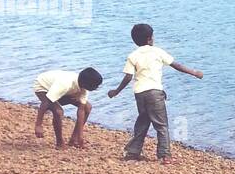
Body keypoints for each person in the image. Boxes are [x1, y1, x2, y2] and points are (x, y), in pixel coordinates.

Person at [108, 22, 203, 163]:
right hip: (155, 93)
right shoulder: (157, 51)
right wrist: (194, 72)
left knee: (143, 122)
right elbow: (176, 65)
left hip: (139, 94)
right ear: (149, 39)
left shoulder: (133, 55)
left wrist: (116, 91)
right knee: (161, 124)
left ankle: (133, 152)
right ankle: (164, 155)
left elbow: (128, 77)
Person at [33, 67, 103, 150]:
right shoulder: (65, 84)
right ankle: (59, 143)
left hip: (61, 91)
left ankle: (74, 139)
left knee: (87, 107)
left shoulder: (84, 88)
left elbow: (81, 110)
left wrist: (80, 136)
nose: (96, 88)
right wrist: (38, 125)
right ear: (87, 84)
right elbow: (45, 103)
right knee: (58, 112)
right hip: (43, 88)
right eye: (95, 86)